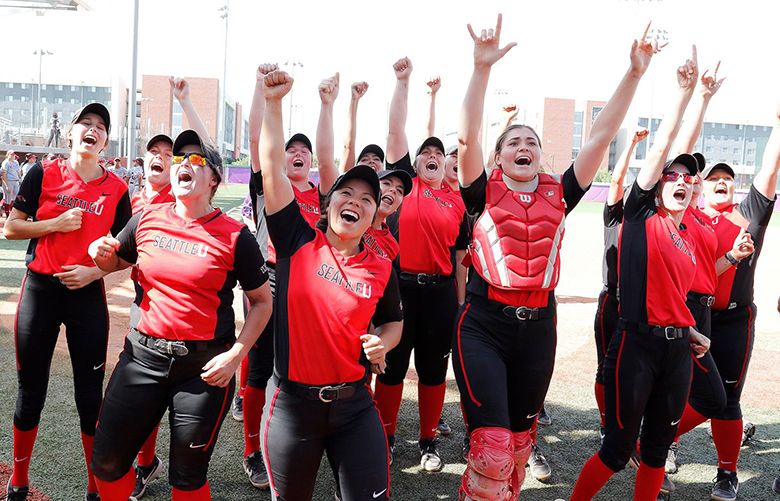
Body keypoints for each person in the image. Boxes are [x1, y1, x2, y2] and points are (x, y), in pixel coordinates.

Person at [457, 16, 660, 499]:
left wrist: (634, 73)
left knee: (518, 448)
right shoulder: (481, 191)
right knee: (492, 449)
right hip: (484, 323)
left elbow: (600, 136)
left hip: (538, 328)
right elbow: (467, 139)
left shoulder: (561, 193)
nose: (523, 146)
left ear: (541, 155)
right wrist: (481, 69)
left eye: (531, 142)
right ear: (499, 156)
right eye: (513, 142)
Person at [88, 129, 273, 501]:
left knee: (187, 477)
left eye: (197, 158)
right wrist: (99, 254)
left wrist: (236, 355)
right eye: (179, 157)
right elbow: (116, 260)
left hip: (202, 370)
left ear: (214, 179)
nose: (184, 163)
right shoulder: (146, 218)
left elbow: (262, 301)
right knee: (106, 463)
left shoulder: (235, 236)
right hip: (142, 358)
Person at [570, 46, 715, 501]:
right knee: (617, 451)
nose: (681, 182)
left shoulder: (686, 234)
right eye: (673, 176)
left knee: (654, 453)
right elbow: (664, 147)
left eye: (688, 179)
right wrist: (685, 94)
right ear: (656, 184)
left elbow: (671, 297)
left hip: (677, 351)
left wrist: (689, 330)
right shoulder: (639, 216)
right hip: (635, 346)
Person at [258, 68, 403, 501]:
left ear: (374, 215)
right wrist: (273, 104)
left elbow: (394, 322)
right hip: (292, 408)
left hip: (354, 406)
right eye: (346, 193)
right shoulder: (297, 239)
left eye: (367, 199)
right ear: (329, 201)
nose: (355, 202)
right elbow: (272, 168)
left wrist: (383, 344)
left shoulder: (381, 266)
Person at [4, 103, 132, 501]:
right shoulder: (43, 173)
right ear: (72, 133)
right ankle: (18, 481)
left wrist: (94, 273)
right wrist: (54, 224)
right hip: (40, 292)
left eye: (101, 126)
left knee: (90, 398)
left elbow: (128, 254)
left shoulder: (117, 189)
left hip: (86, 296)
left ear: (105, 141)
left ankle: (94, 489)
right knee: (31, 393)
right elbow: (11, 228)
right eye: (85, 123)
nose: (93, 130)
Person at [668, 102, 779, 500]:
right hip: (693, 317)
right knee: (681, 392)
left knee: (727, 399)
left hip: (734, 321)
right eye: (713, 178)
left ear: (735, 187)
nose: (720, 182)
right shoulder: (689, 216)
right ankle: (660, 444)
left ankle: (727, 473)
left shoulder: (749, 215)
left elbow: (769, 170)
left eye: (727, 179)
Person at [238, 65, 340, 490]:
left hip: (311, 288)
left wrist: (327, 105)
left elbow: (331, 159)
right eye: (290, 148)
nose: (298, 153)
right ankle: (252, 452)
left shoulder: (324, 197)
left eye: (304, 151)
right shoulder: (269, 186)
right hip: (269, 281)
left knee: (297, 367)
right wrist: (260, 91)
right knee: (261, 368)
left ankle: (296, 438)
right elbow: (255, 138)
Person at [373, 55, 469, 473]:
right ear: (413, 164)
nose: (432, 155)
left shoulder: (456, 201)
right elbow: (396, 130)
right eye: (425, 152)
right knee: (392, 369)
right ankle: (386, 438)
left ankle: (428, 440)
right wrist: (404, 82)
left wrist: (460, 304)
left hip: (440, 294)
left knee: (433, 370)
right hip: (400, 290)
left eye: (437, 152)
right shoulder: (405, 188)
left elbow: (460, 259)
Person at [125, 133, 175, 501]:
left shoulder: (180, 199)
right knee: (143, 391)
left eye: (168, 154)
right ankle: (146, 461)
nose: (160, 157)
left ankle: (148, 463)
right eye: (154, 151)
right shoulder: (133, 199)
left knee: (159, 391)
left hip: (171, 309)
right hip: (141, 300)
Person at [593, 128, 649, 435]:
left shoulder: (649, 222)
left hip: (640, 305)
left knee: (637, 368)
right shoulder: (615, 216)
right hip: (612, 301)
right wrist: (632, 145)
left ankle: (630, 423)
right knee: (606, 367)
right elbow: (616, 181)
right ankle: (606, 425)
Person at [2, 150, 23, 217]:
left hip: (15, 181)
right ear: (7, 155)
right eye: (11, 154)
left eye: (13, 154)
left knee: (15, 197)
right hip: (9, 181)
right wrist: (6, 185)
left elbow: (18, 172)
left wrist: (20, 179)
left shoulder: (16, 162)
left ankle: (11, 212)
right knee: (8, 199)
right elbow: (3, 175)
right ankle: (7, 215)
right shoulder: (5, 163)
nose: (13, 155)